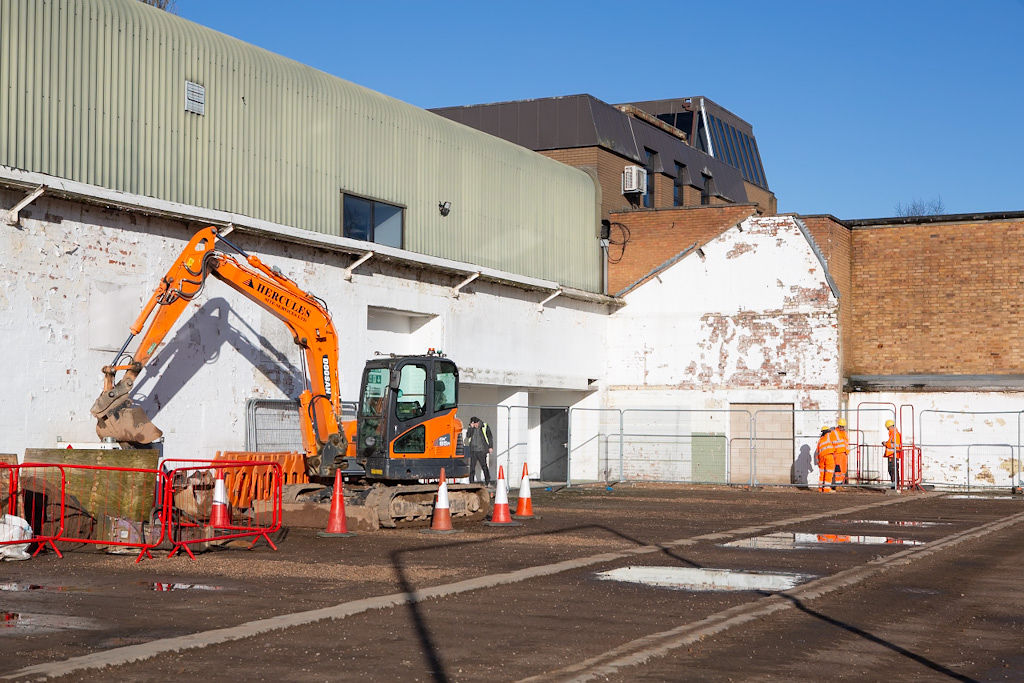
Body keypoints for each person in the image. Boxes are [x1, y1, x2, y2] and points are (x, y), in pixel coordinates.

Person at [465, 416, 494, 485]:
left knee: (484, 466)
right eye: (473, 425)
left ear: (478, 422)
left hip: (482, 450)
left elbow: (490, 437)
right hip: (473, 450)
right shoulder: (471, 428)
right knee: (472, 467)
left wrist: (490, 447)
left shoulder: (484, 426)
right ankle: (471, 482)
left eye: (475, 424)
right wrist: (471, 427)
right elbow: (468, 435)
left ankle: (487, 481)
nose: (475, 426)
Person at [814, 424, 835, 493]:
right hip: (828, 456)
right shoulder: (829, 435)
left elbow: (817, 451)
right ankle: (826, 489)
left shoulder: (820, 440)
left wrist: (817, 461)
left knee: (822, 474)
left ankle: (820, 489)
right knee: (829, 472)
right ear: (828, 431)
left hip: (821, 458)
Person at [883, 419, 902, 488]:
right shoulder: (893, 434)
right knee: (892, 470)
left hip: (893, 455)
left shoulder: (894, 434)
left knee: (893, 470)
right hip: (892, 455)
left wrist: (886, 444)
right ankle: (894, 484)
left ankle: (895, 485)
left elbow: (894, 445)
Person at [831, 418, 850, 490]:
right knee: (838, 470)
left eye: (843, 426)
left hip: (844, 454)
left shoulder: (845, 433)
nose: (842, 427)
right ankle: (837, 485)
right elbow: (832, 443)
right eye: (841, 426)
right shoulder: (834, 432)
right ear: (838, 425)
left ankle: (841, 484)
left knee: (843, 470)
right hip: (837, 454)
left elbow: (846, 443)